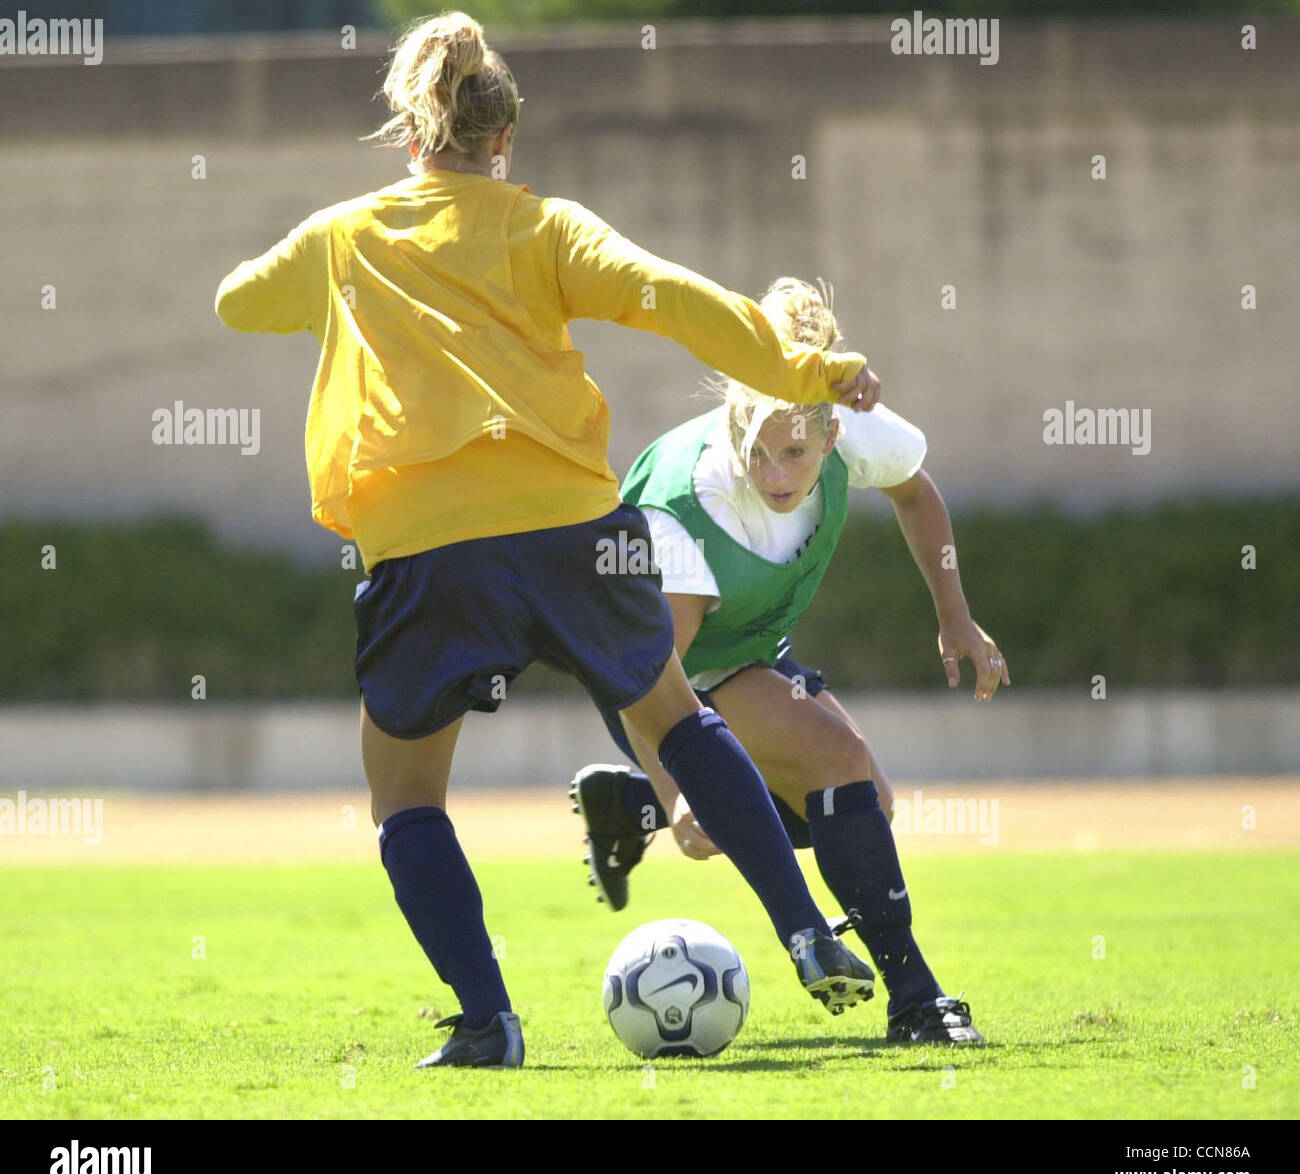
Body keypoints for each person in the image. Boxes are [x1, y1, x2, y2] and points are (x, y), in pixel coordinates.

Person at [214, 12, 882, 1069]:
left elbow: (234, 302)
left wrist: (326, 282)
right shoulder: (545, 227)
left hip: (426, 549)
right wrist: (808, 371)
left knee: (404, 797)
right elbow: (671, 295)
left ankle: (490, 1023)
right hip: (577, 529)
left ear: (407, 130)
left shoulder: (343, 235)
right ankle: (803, 925)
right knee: (672, 714)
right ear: (502, 140)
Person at [568, 277, 1007, 1045]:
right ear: (733, 426)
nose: (775, 474)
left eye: (795, 454)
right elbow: (649, 683)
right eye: (758, 452)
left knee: (863, 802)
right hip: (656, 678)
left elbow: (918, 494)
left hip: (743, 655)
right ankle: (916, 999)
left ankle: (627, 805)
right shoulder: (689, 505)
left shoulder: (851, 421)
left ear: (832, 437)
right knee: (839, 760)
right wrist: (678, 791)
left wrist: (956, 618)